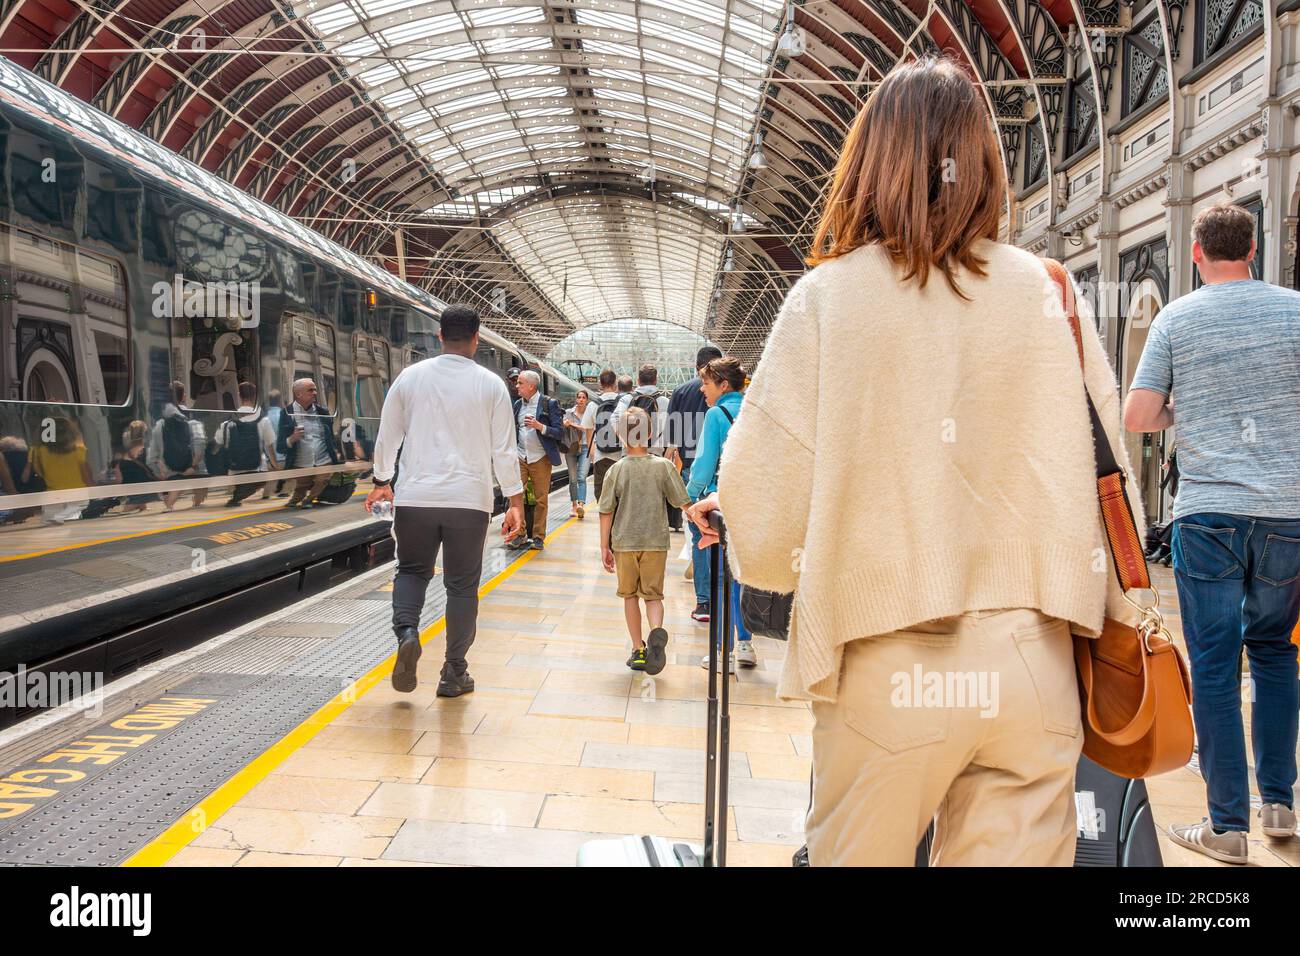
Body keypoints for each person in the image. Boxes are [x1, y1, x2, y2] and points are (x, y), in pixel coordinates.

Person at [703, 56, 1139, 866]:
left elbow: (761, 522)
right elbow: (1118, 496)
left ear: (868, 164)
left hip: (884, 664)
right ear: (983, 166)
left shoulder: (830, 298)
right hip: (1034, 664)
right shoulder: (1052, 293)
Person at [1125, 202, 1300, 864]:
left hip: (1208, 517)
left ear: (1196, 255)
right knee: (1278, 654)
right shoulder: (1294, 311)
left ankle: (1227, 825)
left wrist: (1189, 407)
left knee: (1217, 667)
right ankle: (1279, 803)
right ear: (1253, 248)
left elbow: (1139, 416)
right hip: (1287, 514)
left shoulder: (1177, 318)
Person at [367, 304, 525, 697]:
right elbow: (504, 451)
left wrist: (381, 480)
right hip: (469, 502)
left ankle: (407, 632)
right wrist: (516, 501)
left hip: (416, 497)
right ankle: (454, 673)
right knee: (461, 586)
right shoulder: (491, 385)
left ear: (440, 336)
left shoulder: (409, 377)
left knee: (412, 571)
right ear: (476, 338)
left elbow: (388, 436)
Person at [599, 406, 691, 673]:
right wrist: (700, 522)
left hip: (624, 543)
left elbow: (606, 510)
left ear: (619, 436)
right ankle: (656, 634)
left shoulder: (615, 470)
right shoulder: (663, 467)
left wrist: (604, 546)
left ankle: (638, 650)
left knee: (630, 597)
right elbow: (682, 502)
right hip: (656, 542)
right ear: (650, 433)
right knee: (653, 596)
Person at [686, 356, 755, 671]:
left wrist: (688, 497)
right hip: (751, 504)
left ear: (723, 384)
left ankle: (721, 651)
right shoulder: (756, 411)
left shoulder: (716, 415)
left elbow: (703, 465)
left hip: (720, 504)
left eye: (706, 383)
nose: (702, 389)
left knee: (718, 578)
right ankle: (745, 644)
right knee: (742, 575)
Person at [666, 345, 723, 617]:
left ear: (696, 365)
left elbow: (673, 437)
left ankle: (703, 601)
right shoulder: (728, 393)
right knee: (723, 533)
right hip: (723, 472)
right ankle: (724, 598)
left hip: (691, 468)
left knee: (700, 533)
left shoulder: (681, 391)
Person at [509, 369, 565, 552]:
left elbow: (559, 432)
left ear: (531, 386)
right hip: (521, 456)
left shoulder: (550, 404)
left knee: (541, 498)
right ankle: (519, 533)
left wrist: (539, 426)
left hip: (540, 457)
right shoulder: (518, 405)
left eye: (520, 383)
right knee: (516, 495)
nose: (516, 386)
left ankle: (539, 536)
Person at [278, 377, 339, 508]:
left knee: (323, 479)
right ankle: (295, 499)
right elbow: (280, 445)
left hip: (323, 458)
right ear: (298, 394)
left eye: (315, 390)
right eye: (310, 390)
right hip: (301, 461)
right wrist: (292, 439)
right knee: (302, 485)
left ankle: (309, 499)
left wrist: (336, 451)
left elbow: (330, 436)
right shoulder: (287, 413)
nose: (315, 393)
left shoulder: (323, 412)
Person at [148, 382, 209, 511]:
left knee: (176, 474)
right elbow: (200, 445)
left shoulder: (160, 423)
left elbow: (152, 457)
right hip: (192, 469)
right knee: (201, 469)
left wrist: (161, 473)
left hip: (171, 469)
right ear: (183, 396)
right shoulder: (190, 417)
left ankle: (169, 502)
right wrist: (193, 466)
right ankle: (198, 501)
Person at [218, 381, 279, 508]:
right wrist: (275, 465)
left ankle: (237, 496)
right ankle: (237, 496)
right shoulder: (263, 420)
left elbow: (220, 442)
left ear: (239, 395)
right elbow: (269, 446)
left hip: (234, 468)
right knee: (262, 481)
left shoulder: (228, 421)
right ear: (256, 396)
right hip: (256, 467)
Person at [24, 415, 94, 524]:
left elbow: (38, 472)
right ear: (70, 432)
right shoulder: (79, 449)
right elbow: (86, 476)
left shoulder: (37, 451)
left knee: (52, 533)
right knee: (72, 531)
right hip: (78, 496)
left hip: (52, 497)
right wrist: (95, 493)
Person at [589, 369, 623, 502]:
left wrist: (593, 455)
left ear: (600, 384)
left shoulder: (593, 404)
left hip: (600, 455)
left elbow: (589, 431)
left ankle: (606, 522)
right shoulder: (623, 402)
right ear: (616, 383)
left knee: (603, 496)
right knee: (620, 495)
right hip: (620, 456)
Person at [116, 420, 158, 514]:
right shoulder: (146, 451)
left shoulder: (126, 452)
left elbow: (119, 478)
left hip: (129, 489)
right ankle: (137, 503)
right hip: (144, 490)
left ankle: (141, 505)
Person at [563, 390, 592, 519]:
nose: (580, 400)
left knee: (581, 477)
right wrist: (565, 424)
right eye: (579, 397)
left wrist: (573, 424)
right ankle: (574, 505)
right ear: (576, 399)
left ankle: (581, 505)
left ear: (587, 400)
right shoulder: (568, 413)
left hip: (585, 447)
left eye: (583, 398)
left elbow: (589, 428)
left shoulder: (590, 413)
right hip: (571, 448)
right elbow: (563, 425)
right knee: (573, 478)